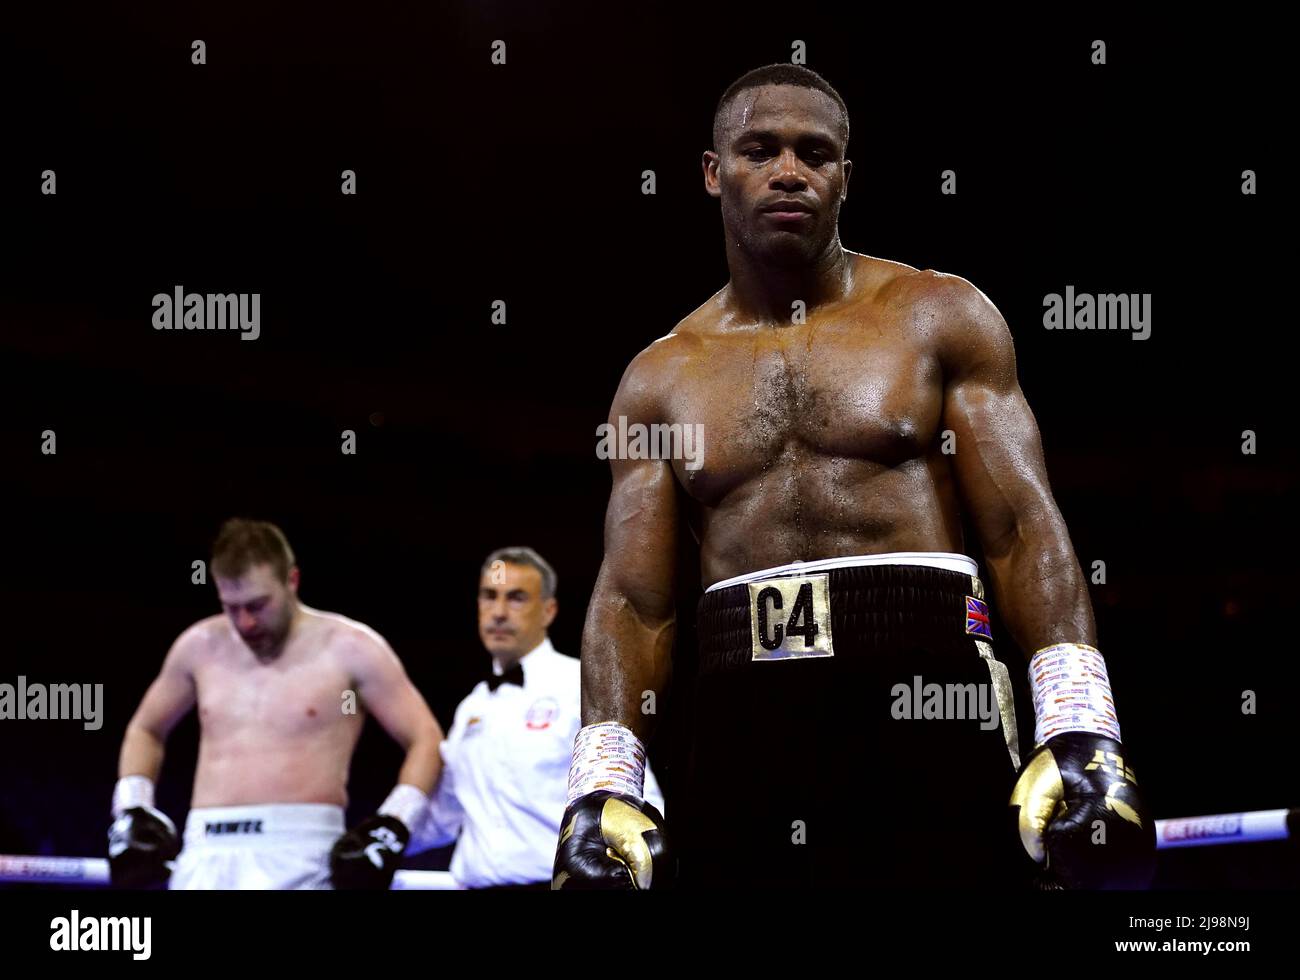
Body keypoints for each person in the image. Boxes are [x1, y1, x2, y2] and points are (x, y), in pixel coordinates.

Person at [552, 63, 1155, 889]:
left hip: (928, 678)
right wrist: (603, 784)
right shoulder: (659, 377)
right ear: (711, 171)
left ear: (846, 175)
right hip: (744, 702)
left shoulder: (939, 314)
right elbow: (633, 599)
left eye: (815, 153)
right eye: (760, 150)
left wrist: (1082, 723)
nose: (789, 171)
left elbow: (1022, 531)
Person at [108, 518, 443, 889]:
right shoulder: (199, 646)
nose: (245, 623)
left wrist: (393, 825)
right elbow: (145, 729)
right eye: (231, 607)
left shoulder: (350, 648)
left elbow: (425, 737)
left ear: (292, 581)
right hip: (204, 852)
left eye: (257, 605)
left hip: (300, 851)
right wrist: (132, 808)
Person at [409, 548, 663, 889]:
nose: (498, 612)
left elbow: (633, 793)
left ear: (548, 610)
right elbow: (445, 816)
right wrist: (387, 832)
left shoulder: (585, 686)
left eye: (516, 598)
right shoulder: (471, 707)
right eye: (489, 596)